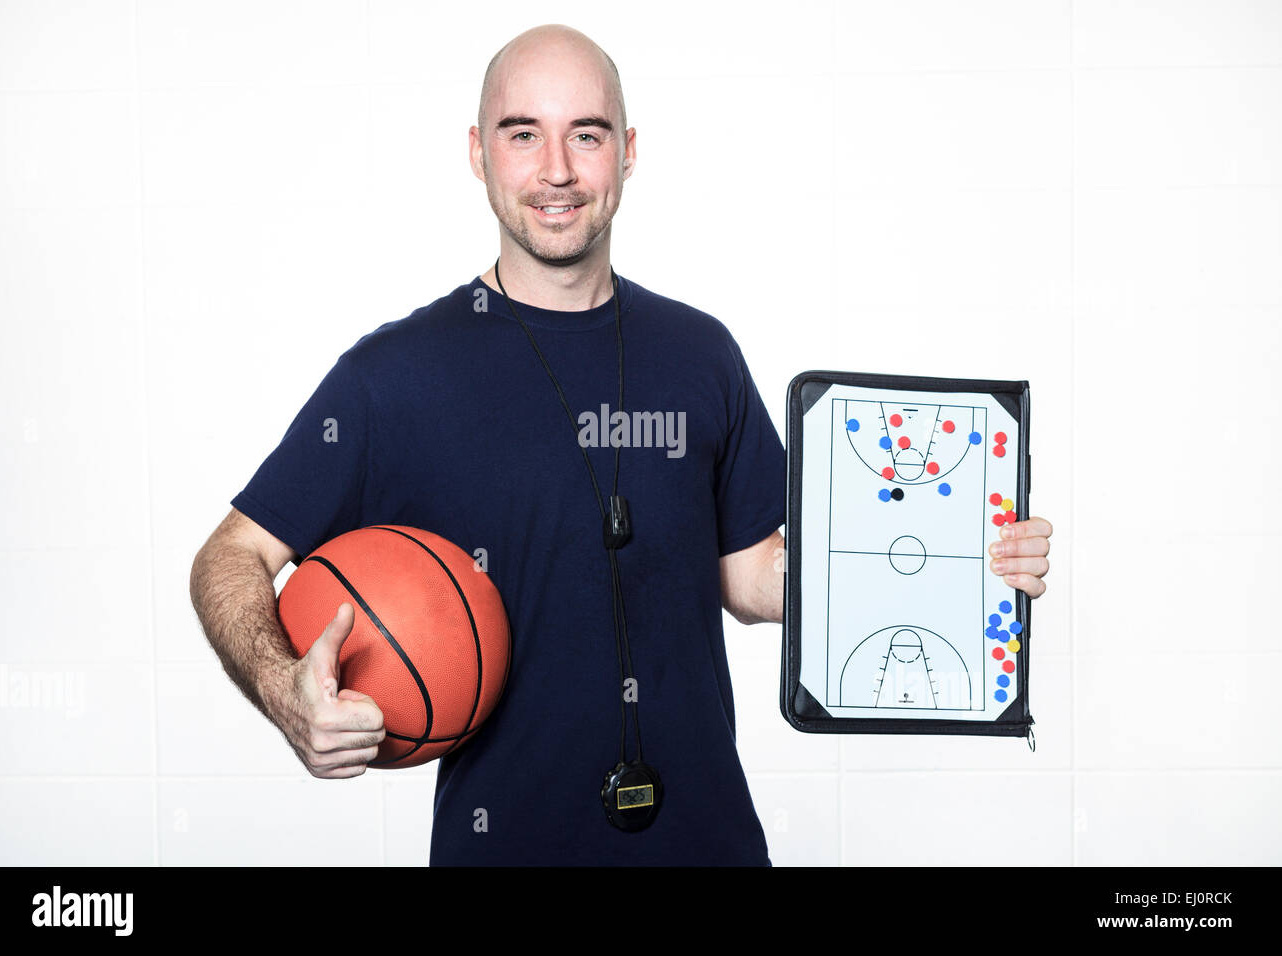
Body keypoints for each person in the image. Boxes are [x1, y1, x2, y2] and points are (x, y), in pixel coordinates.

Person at [189, 24, 1054, 866]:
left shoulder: (700, 351)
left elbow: (754, 578)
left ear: (628, 151)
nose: (557, 169)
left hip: (709, 844)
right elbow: (230, 555)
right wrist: (282, 690)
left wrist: (956, 564)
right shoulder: (394, 377)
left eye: (587, 134)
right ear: (477, 151)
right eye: (522, 133)